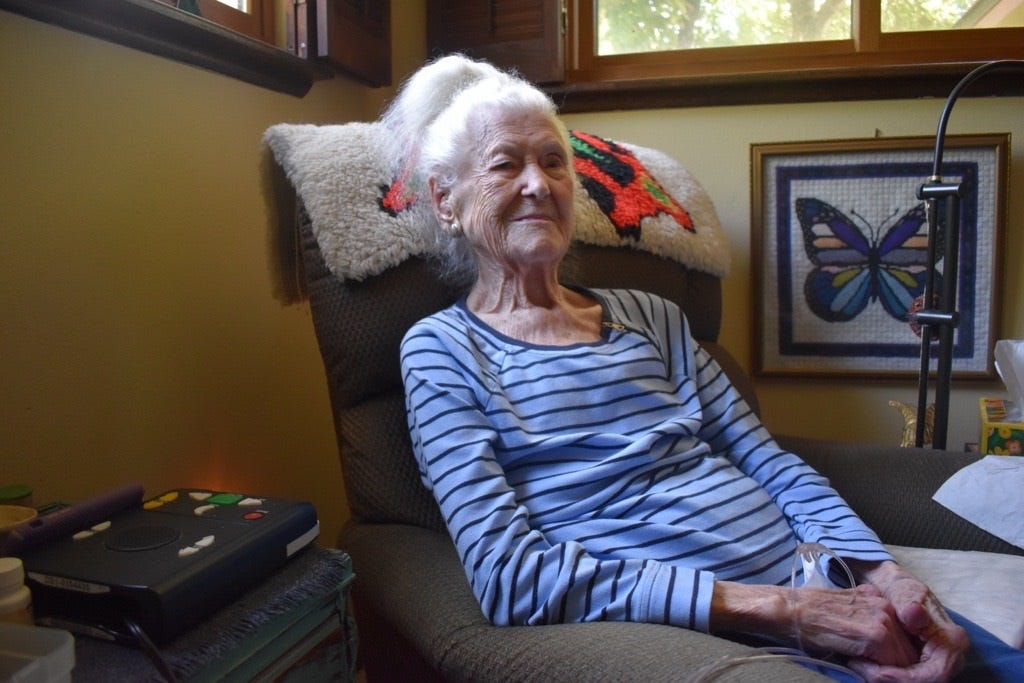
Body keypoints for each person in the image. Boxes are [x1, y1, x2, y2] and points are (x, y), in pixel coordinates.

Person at [391, 54, 1020, 682]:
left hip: (826, 591)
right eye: (506, 164)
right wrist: (788, 611)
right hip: (721, 640)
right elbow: (511, 578)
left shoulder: (652, 315)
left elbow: (767, 462)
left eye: (554, 162)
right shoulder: (441, 352)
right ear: (446, 202)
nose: (539, 184)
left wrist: (884, 576)